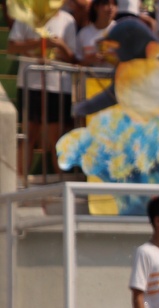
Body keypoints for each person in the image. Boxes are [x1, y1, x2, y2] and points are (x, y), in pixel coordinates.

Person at [9, 0, 80, 177]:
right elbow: (12, 46)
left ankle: (62, 186)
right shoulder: (26, 17)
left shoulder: (68, 20)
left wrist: (58, 44)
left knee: (56, 138)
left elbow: (72, 58)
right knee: (29, 135)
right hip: (30, 84)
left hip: (57, 86)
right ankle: (21, 182)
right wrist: (40, 43)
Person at [78, 0, 118, 64]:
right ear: (96, 7)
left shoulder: (120, 30)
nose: (111, 7)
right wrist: (89, 60)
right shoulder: (83, 33)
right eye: (106, 3)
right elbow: (76, 63)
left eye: (114, 4)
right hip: (89, 73)